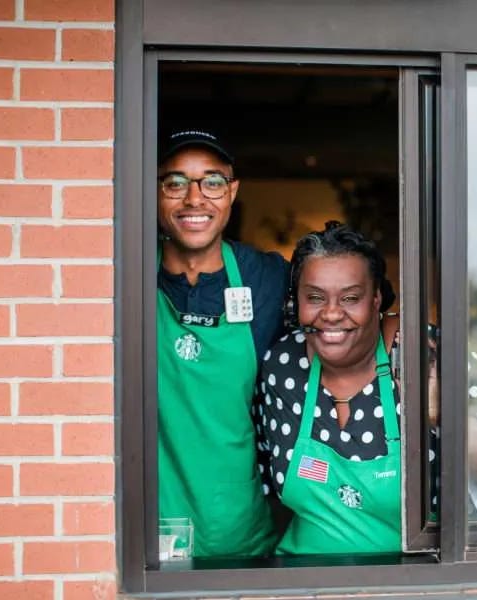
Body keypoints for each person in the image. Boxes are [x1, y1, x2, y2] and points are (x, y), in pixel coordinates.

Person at [256, 221, 477, 555]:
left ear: (376, 299)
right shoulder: (282, 365)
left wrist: (443, 418)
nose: (332, 313)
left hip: (410, 582)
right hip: (304, 577)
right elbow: (265, 485)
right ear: (295, 303)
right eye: (314, 298)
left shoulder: (432, 357)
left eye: (351, 297)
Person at [156, 129, 288, 558]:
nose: (195, 199)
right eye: (176, 183)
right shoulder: (125, 269)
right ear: (155, 191)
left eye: (211, 182)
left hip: (239, 525)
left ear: (232, 191)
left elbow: (350, 302)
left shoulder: (267, 277)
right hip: (149, 522)